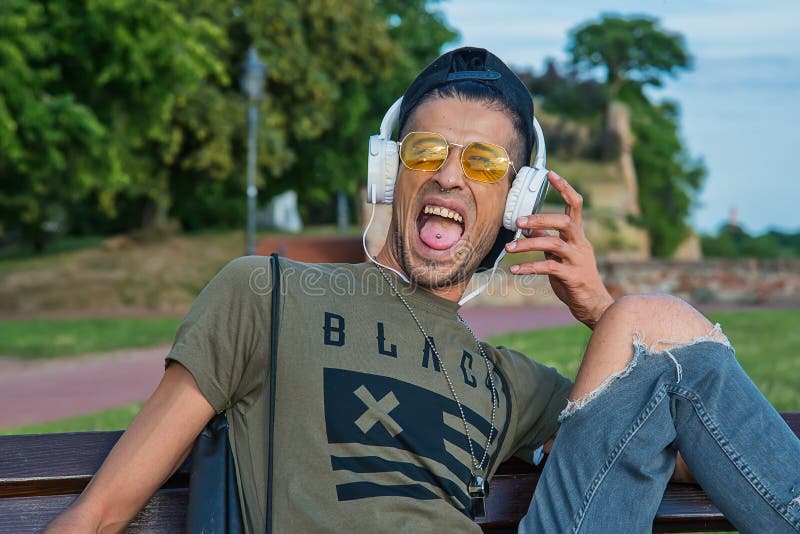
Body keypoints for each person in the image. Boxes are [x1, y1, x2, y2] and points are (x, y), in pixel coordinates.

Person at [47, 47, 800, 533]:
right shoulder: (265, 293)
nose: (448, 175)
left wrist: (603, 314)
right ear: (391, 172)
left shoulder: (509, 383)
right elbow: (101, 511)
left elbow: (696, 445)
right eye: (428, 151)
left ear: (511, 201)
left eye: (481, 164)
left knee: (652, 319)